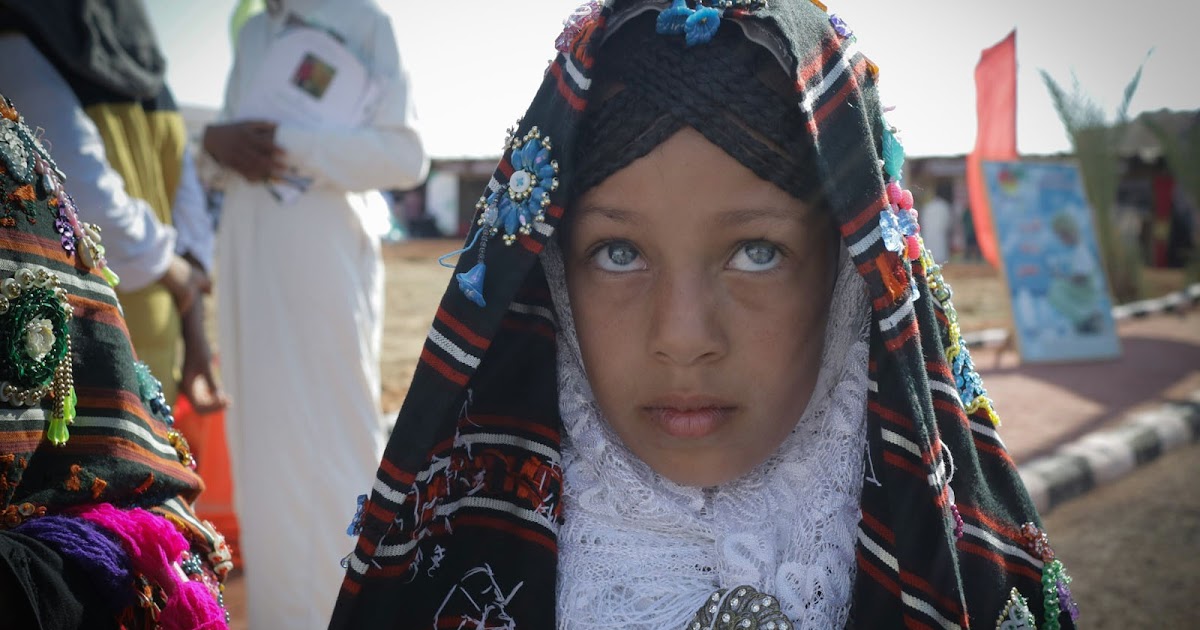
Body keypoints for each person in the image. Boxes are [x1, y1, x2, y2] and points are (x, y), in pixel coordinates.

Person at [332, 2, 1077, 629]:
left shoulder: (972, 582)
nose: (682, 338)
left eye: (756, 251)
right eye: (618, 253)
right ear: (553, 275)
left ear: (849, 281)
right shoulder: (450, 570)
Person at [199, 0, 428, 626]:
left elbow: (403, 157)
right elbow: (218, 154)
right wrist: (215, 144)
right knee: (261, 445)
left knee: (335, 435)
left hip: (322, 255)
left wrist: (285, 144)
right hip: (245, 249)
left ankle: (357, 611)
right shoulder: (252, 32)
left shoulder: (363, 22)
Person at [0, 92, 233, 629]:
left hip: (126, 306)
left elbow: (167, 195)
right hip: (139, 290)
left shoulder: (138, 82)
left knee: (134, 455)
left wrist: (184, 285)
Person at [0, 0, 227, 415]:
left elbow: (175, 195)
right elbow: (83, 200)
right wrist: (181, 282)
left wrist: (194, 332)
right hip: (88, 357)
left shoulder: (138, 63)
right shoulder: (23, 44)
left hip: (136, 352)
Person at [921, 180, 954, 264]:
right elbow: (948, 224)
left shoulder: (928, 206)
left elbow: (922, 221)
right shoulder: (945, 206)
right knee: (940, 259)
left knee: (929, 259)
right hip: (940, 237)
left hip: (928, 236)